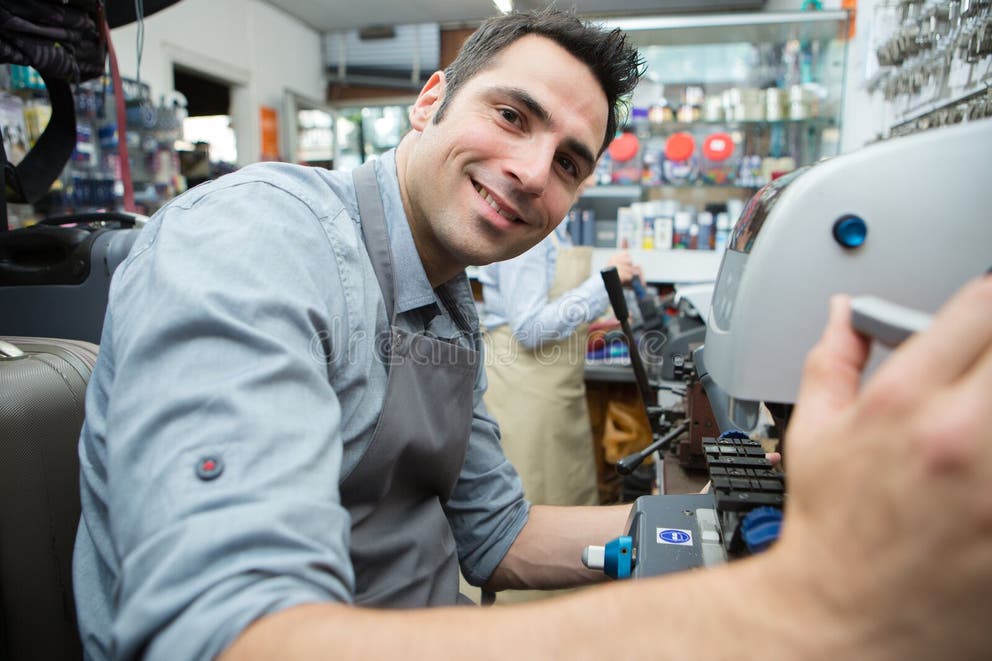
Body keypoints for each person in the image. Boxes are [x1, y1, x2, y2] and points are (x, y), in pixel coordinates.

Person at [72, 8, 992, 661]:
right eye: (511, 115)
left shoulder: (447, 298)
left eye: (568, 163)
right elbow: (226, 637)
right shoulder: (255, 241)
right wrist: (812, 604)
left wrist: (730, 531)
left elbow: (498, 533)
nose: (528, 172)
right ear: (430, 100)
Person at [478, 174, 639, 509]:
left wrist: (600, 311)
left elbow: (552, 302)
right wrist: (602, 283)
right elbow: (530, 328)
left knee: (566, 495)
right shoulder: (531, 233)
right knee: (534, 503)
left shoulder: (556, 229)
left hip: (554, 392)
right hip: (525, 393)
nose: (595, 173)